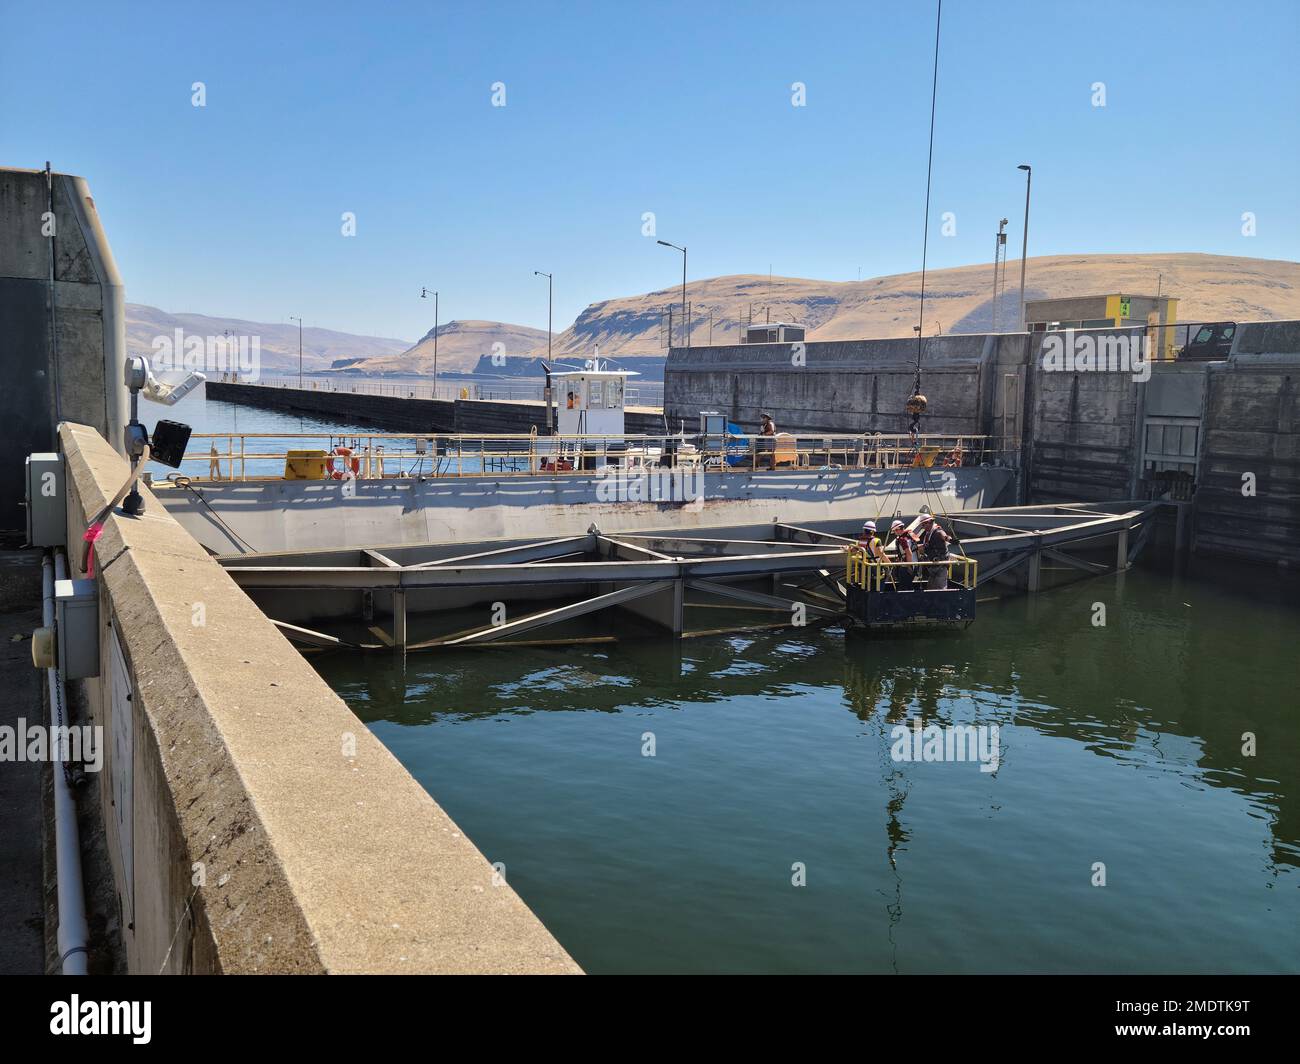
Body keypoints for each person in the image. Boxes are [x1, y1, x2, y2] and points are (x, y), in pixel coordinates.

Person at [918, 513, 951, 590]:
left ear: (929, 522)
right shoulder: (928, 534)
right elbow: (926, 546)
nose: (923, 527)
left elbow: (944, 536)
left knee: (940, 588)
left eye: (923, 525)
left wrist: (951, 540)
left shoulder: (937, 531)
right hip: (932, 566)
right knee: (930, 587)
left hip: (940, 566)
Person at [889, 518, 918, 589]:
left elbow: (908, 553)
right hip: (915, 563)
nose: (894, 533)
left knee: (904, 586)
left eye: (894, 531)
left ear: (897, 529)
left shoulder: (902, 540)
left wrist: (909, 567)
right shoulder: (909, 536)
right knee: (908, 585)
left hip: (907, 566)